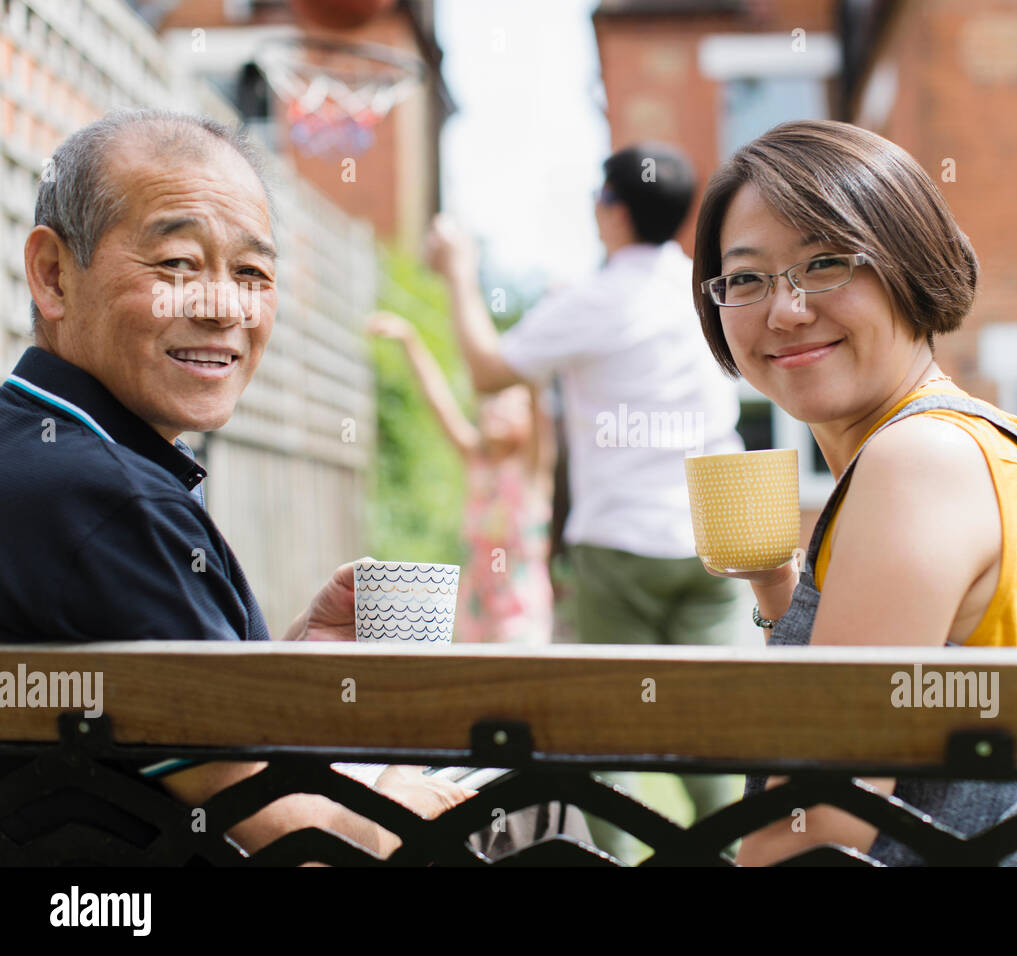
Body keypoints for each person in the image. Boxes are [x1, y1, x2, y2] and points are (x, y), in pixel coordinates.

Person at [0, 109, 585, 861]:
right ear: (53, 274)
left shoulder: (38, 452)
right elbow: (286, 839)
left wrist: (287, 662)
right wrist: (394, 806)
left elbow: (190, 753)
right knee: (540, 803)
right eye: (177, 264)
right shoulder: (111, 499)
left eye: (251, 273)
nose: (223, 306)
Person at [689, 119, 1017, 866]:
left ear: (911, 265)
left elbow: (818, 830)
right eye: (748, 278)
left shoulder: (918, 462)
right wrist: (780, 594)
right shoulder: (962, 442)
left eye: (825, 264)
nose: (785, 311)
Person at [424, 144, 752, 863]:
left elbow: (487, 371)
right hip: (717, 537)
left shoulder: (597, 299)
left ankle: (616, 864)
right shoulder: (711, 291)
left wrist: (459, 272)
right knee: (713, 729)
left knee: (609, 730)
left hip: (621, 541)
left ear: (610, 210)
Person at [366, 311, 554, 645]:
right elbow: (438, 402)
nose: (496, 407)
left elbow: (539, 399)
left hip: (519, 611)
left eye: (511, 403)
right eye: (493, 400)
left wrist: (531, 363)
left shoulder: (532, 469)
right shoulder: (477, 461)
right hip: (476, 608)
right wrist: (410, 340)